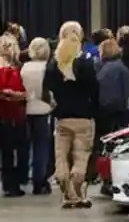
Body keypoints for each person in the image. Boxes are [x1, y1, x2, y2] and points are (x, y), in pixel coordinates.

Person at [44, 29, 98, 208]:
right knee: (81, 156)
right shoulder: (86, 64)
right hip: (83, 116)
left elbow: (46, 90)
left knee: (61, 155)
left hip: (62, 117)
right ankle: (77, 187)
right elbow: (94, 89)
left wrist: (54, 105)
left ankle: (67, 189)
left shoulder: (53, 65)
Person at [94, 39, 129, 195]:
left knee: (103, 148)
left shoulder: (99, 69)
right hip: (118, 113)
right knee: (117, 149)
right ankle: (114, 180)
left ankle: (105, 179)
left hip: (102, 112)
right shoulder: (123, 69)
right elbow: (127, 94)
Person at [21, 37, 53, 195]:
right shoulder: (48, 68)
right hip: (43, 110)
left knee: (25, 146)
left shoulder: (24, 67)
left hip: (25, 109)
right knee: (42, 147)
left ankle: (22, 176)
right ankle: (39, 181)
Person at [0, 35, 27, 197]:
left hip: (13, 114)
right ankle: (10, 184)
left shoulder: (17, 68)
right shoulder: (11, 70)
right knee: (9, 152)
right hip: (8, 115)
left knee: (10, 152)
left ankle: (10, 183)